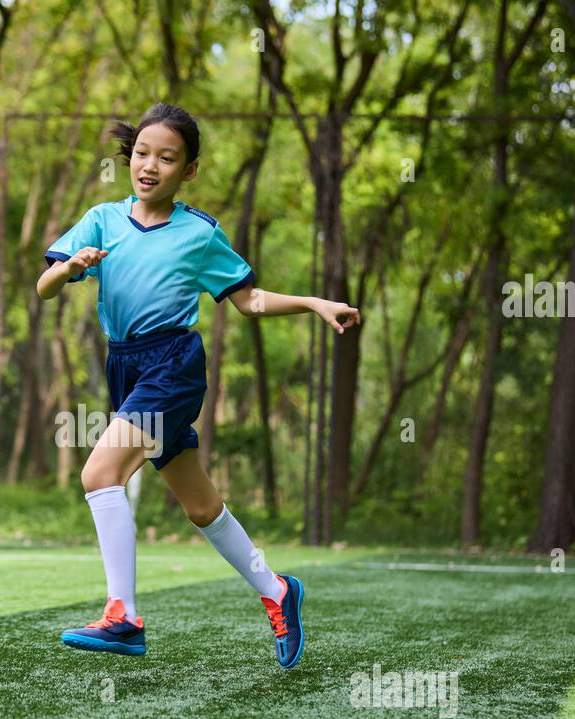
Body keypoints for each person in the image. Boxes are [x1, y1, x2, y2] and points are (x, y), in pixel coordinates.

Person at [36, 103, 360, 668]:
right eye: (142, 153)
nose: (150, 165)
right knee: (201, 506)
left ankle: (123, 616)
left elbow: (248, 300)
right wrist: (69, 268)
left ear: (188, 170)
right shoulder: (101, 220)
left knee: (99, 473)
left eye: (167, 157)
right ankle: (278, 590)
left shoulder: (201, 233)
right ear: (129, 156)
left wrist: (312, 302)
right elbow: (44, 287)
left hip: (173, 365)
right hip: (125, 365)